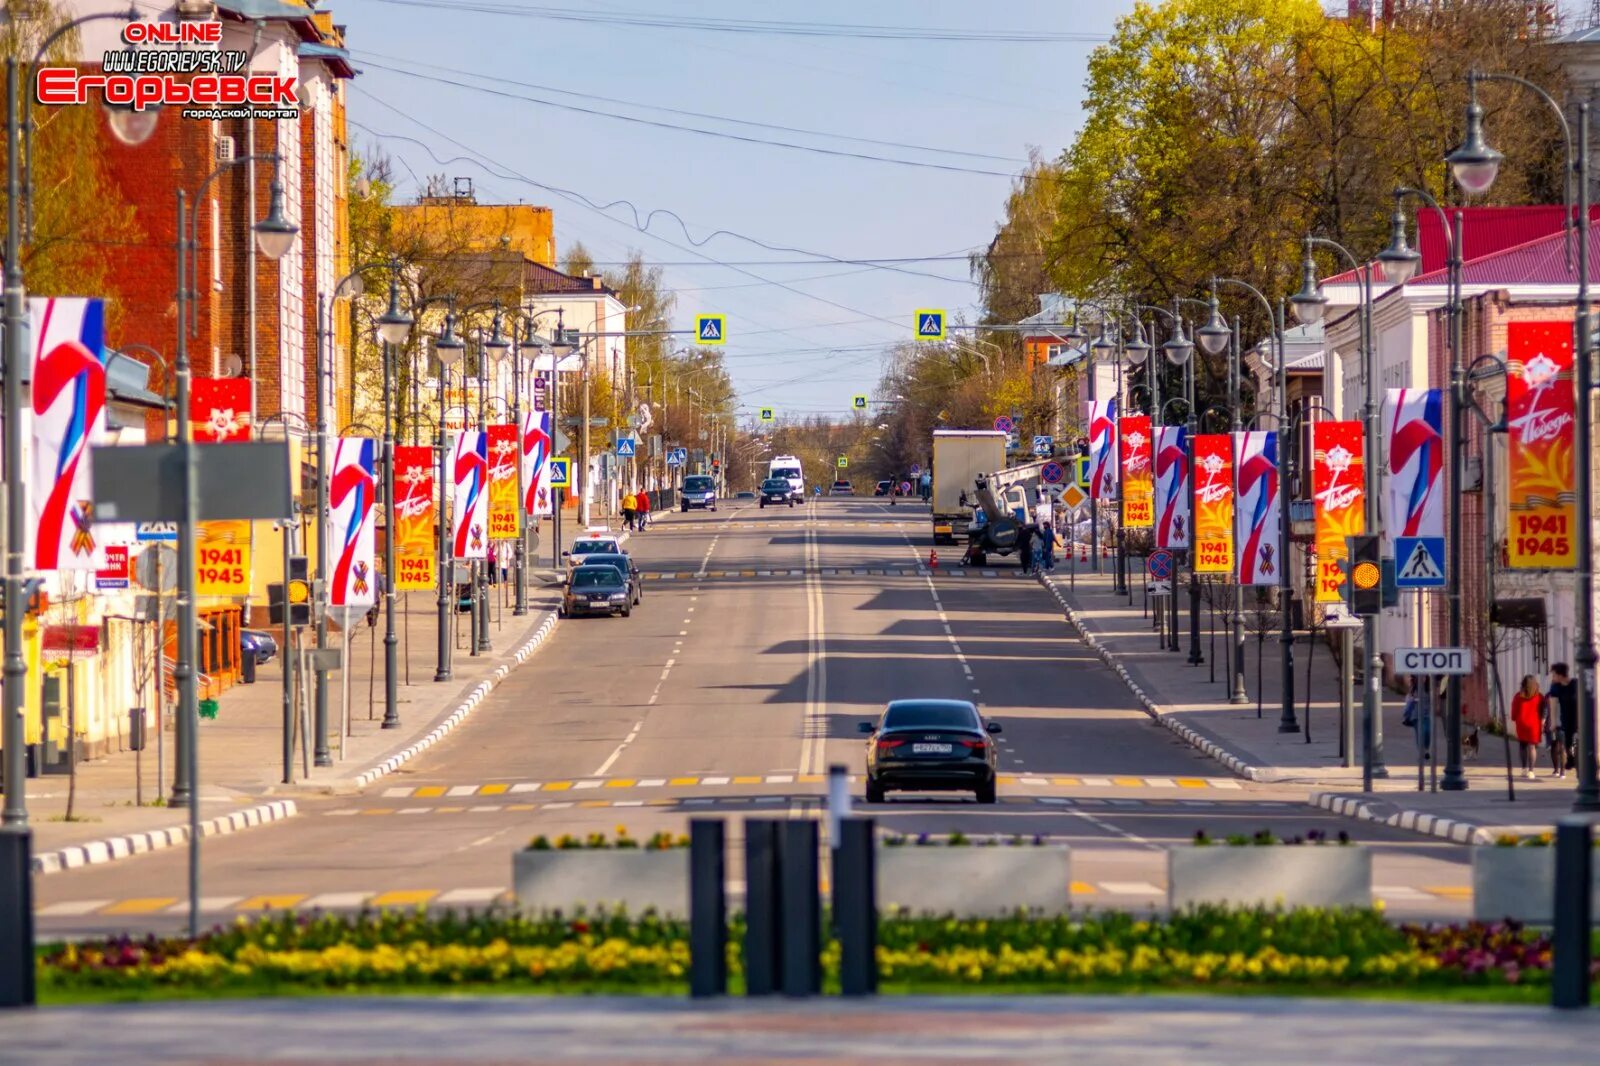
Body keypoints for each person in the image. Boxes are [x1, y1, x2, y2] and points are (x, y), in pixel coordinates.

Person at [1511, 674, 1544, 780]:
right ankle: (1531, 771)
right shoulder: (1539, 696)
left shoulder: (1518, 696)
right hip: (1534, 725)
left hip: (1521, 724)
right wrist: (1542, 722)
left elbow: (1514, 711)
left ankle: (1524, 768)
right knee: (1532, 747)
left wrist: (1514, 718)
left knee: (1522, 746)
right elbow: (1543, 711)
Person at [1547, 662, 1577, 779]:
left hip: (1578, 719)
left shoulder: (1575, 684)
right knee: (1567, 745)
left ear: (1561, 675)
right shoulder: (1555, 687)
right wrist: (1553, 723)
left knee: (1576, 744)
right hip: (1565, 720)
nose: (1552, 678)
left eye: (1554, 675)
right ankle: (1570, 761)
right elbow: (1553, 705)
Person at [1402, 677, 1432, 759]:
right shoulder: (1413, 687)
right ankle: (1423, 752)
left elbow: (1433, 699)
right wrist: (1413, 699)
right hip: (1416, 715)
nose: (1423, 678)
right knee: (1420, 733)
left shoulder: (1429, 687)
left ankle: (1426, 748)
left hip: (1426, 714)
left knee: (1427, 731)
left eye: (1425, 677)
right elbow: (1408, 698)